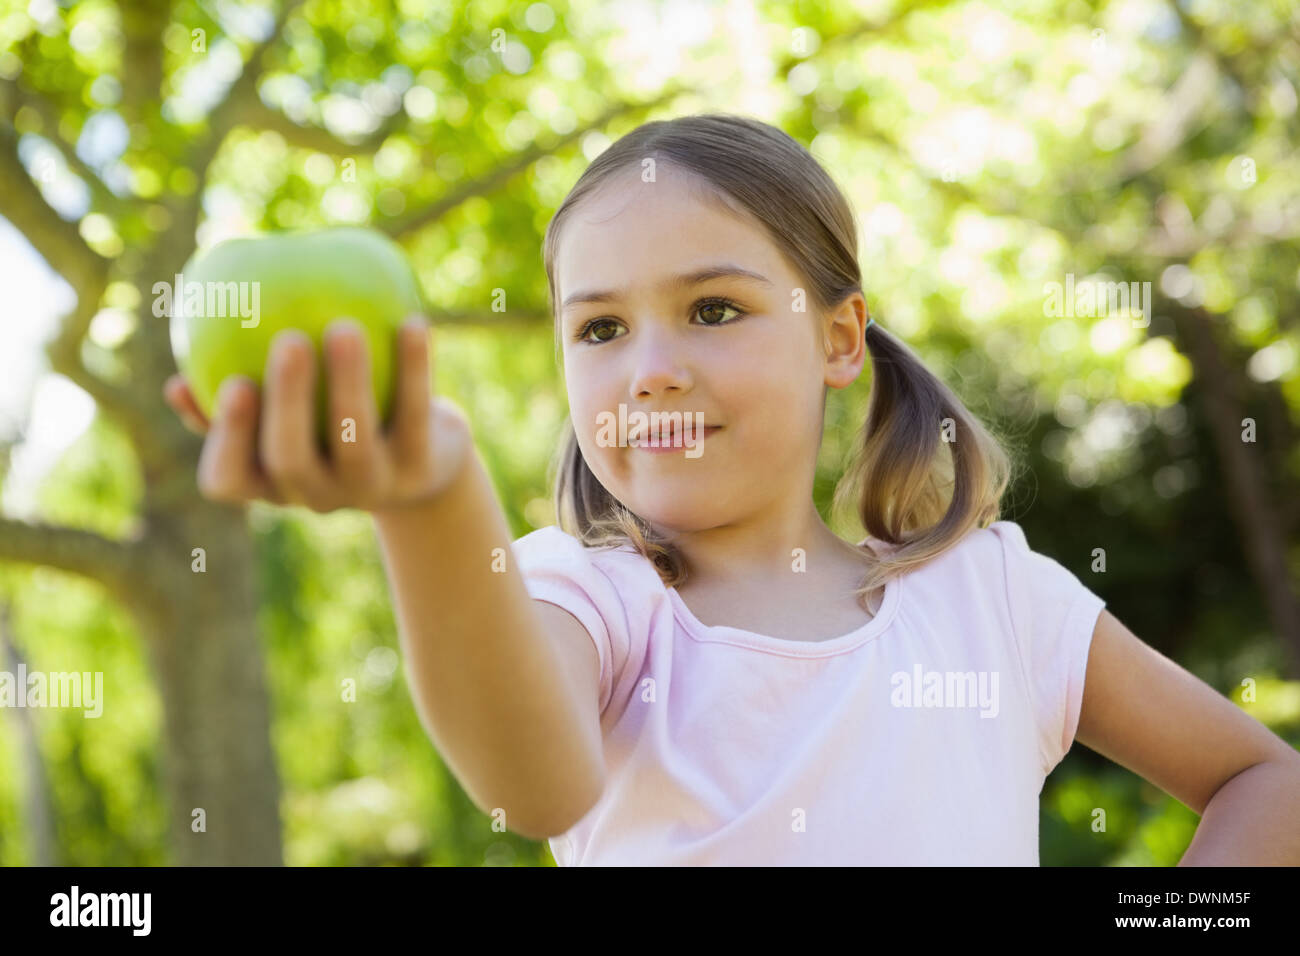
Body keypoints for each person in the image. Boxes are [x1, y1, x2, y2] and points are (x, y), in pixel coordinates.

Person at [165, 113, 1300, 867]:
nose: (649, 362)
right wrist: (430, 500)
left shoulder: (993, 599)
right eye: (600, 326)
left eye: (713, 308)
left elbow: (1262, 777)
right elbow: (533, 785)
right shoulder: (591, 597)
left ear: (840, 337)